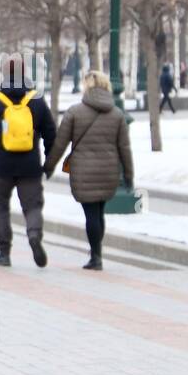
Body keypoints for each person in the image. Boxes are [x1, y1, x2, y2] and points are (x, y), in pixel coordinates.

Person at [43, 71, 134, 271]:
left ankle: (96, 257)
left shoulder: (75, 112)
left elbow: (60, 144)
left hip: (83, 172)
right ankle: (97, 253)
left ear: (87, 86)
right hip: (109, 171)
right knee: (99, 212)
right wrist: (128, 175)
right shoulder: (117, 114)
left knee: (91, 214)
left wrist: (48, 167)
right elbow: (125, 148)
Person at [0, 55, 56, 268]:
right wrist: (49, 161)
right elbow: (50, 132)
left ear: (3, 74)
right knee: (32, 206)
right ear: (24, 73)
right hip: (29, 164)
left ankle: (4, 253)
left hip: (0, 165)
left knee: (0, 207)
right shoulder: (36, 100)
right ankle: (34, 235)